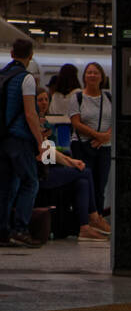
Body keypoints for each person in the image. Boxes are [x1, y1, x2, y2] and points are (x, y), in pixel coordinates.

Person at [34, 87, 108, 240]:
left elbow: (50, 150)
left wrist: (68, 161)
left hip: (51, 168)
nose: (43, 103)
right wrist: (70, 161)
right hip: (41, 173)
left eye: (46, 99)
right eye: (39, 100)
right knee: (85, 172)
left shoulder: (45, 123)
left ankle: (84, 227)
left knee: (82, 182)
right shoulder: (34, 124)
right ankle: (94, 217)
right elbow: (47, 152)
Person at [0, 39, 44, 249]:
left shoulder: (2, 76)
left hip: (3, 140)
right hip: (19, 139)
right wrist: (40, 141)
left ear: (11, 53)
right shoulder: (26, 79)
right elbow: (30, 113)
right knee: (30, 182)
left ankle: (3, 231)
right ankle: (20, 229)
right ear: (31, 55)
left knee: (7, 186)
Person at [68, 60, 112, 225]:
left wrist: (106, 137)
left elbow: (115, 120)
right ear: (84, 76)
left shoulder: (109, 97)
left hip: (105, 148)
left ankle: (98, 217)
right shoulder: (77, 97)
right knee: (86, 183)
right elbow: (76, 123)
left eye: (96, 73)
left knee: (101, 184)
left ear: (102, 77)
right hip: (82, 146)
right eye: (89, 72)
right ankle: (85, 220)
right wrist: (98, 136)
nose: (92, 75)